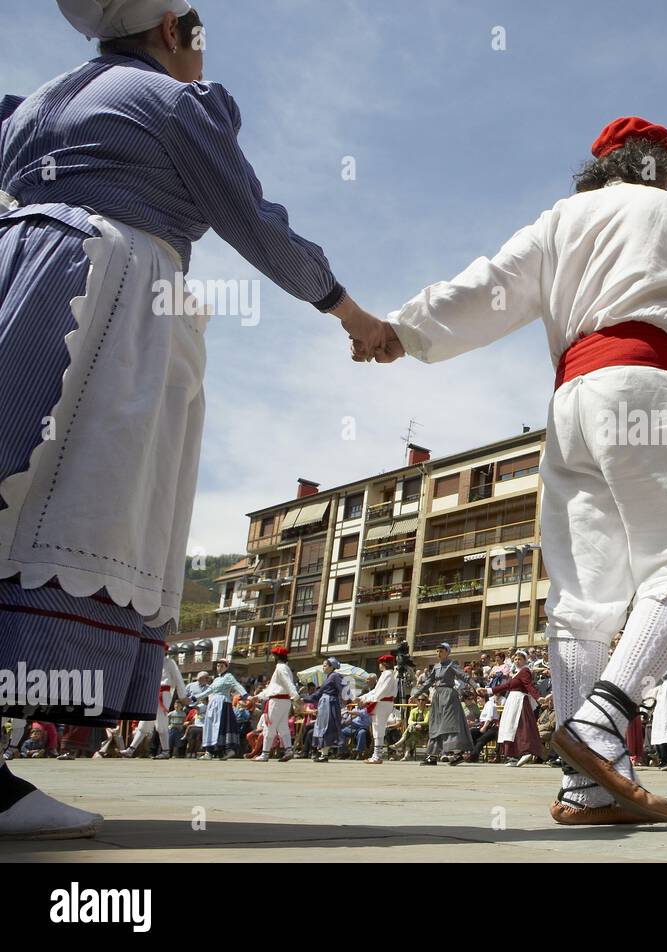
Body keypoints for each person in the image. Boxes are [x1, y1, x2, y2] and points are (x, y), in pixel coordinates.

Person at [359, 116, 667, 825]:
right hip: (647, 388)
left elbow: (488, 288)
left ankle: (584, 787)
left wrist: (402, 331)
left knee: (581, 593)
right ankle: (602, 721)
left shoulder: (560, 220)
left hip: (571, 402)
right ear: (660, 169)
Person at [0, 0, 390, 839]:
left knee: (15, 497)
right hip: (108, 293)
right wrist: (350, 312)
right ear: (174, 31)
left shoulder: (35, 105)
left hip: (18, 274)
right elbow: (253, 218)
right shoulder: (170, 104)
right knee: (74, 497)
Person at [414, 643, 473, 765]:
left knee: (448, 724)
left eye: (441, 651)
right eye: (437, 651)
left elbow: (464, 676)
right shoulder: (436, 667)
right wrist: (415, 695)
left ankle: (457, 754)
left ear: (447, 652)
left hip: (449, 696)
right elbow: (428, 683)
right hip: (437, 696)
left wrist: (476, 686)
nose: (438, 653)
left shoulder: (452, 664)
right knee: (436, 724)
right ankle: (433, 756)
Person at [123, 655, 186, 759]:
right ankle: (131, 749)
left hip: (163, 694)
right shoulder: (150, 661)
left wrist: (182, 695)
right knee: (144, 722)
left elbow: (178, 678)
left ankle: (165, 751)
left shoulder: (169, 662)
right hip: (151, 693)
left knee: (161, 722)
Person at [493, 649, 543, 766]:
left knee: (521, 725)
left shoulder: (525, 671)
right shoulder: (517, 673)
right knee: (510, 726)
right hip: (512, 701)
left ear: (525, 660)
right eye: (515, 659)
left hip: (520, 700)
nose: (517, 661)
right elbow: (508, 685)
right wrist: (490, 690)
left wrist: (538, 697)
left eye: (519, 659)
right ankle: (513, 755)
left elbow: (528, 685)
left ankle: (525, 751)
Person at [191, 658, 246, 759]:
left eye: (221, 666)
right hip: (213, 704)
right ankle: (209, 752)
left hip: (223, 703)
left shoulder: (229, 676)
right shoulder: (216, 679)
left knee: (222, 726)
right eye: (217, 666)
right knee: (210, 726)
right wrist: (196, 697)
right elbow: (208, 691)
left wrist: (245, 694)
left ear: (226, 667)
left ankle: (229, 750)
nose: (219, 667)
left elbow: (237, 685)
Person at [256, 646, 299, 762]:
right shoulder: (285, 668)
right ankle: (288, 750)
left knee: (270, 726)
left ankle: (265, 754)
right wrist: (259, 696)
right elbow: (273, 687)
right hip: (285, 701)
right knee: (282, 726)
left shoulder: (280, 668)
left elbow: (287, 683)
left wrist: (295, 695)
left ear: (276, 657)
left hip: (277, 701)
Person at [304, 658, 346, 762]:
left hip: (330, 703)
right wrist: (303, 698)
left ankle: (325, 754)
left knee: (327, 727)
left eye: (325, 665)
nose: (323, 667)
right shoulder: (328, 678)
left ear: (331, 666)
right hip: (324, 704)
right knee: (322, 727)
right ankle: (324, 753)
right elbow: (318, 694)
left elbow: (343, 689)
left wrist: (344, 701)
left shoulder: (335, 676)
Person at [360, 654, 399, 764]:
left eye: (380, 663)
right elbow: (376, 691)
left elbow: (380, 692)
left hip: (382, 703)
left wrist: (367, 700)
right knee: (378, 728)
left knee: (378, 728)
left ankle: (377, 755)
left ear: (384, 664)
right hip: (384, 703)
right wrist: (363, 698)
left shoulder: (387, 674)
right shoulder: (388, 674)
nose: (379, 666)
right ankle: (376, 754)